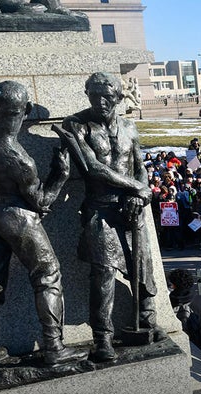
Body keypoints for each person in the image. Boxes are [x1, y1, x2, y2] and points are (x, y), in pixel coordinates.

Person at [0, 80, 86, 367]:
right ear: (29, 110)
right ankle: (54, 347)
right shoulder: (18, 157)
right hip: (16, 216)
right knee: (48, 273)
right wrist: (60, 174)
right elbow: (42, 202)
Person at [55, 72, 161, 362]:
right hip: (100, 209)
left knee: (143, 265)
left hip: (131, 207)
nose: (100, 102)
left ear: (118, 98)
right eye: (94, 96)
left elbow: (140, 167)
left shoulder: (129, 127)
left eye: (107, 97)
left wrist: (140, 194)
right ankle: (102, 337)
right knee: (103, 273)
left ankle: (149, 319)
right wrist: (137, 187)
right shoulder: (76, 124)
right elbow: (92, 168)